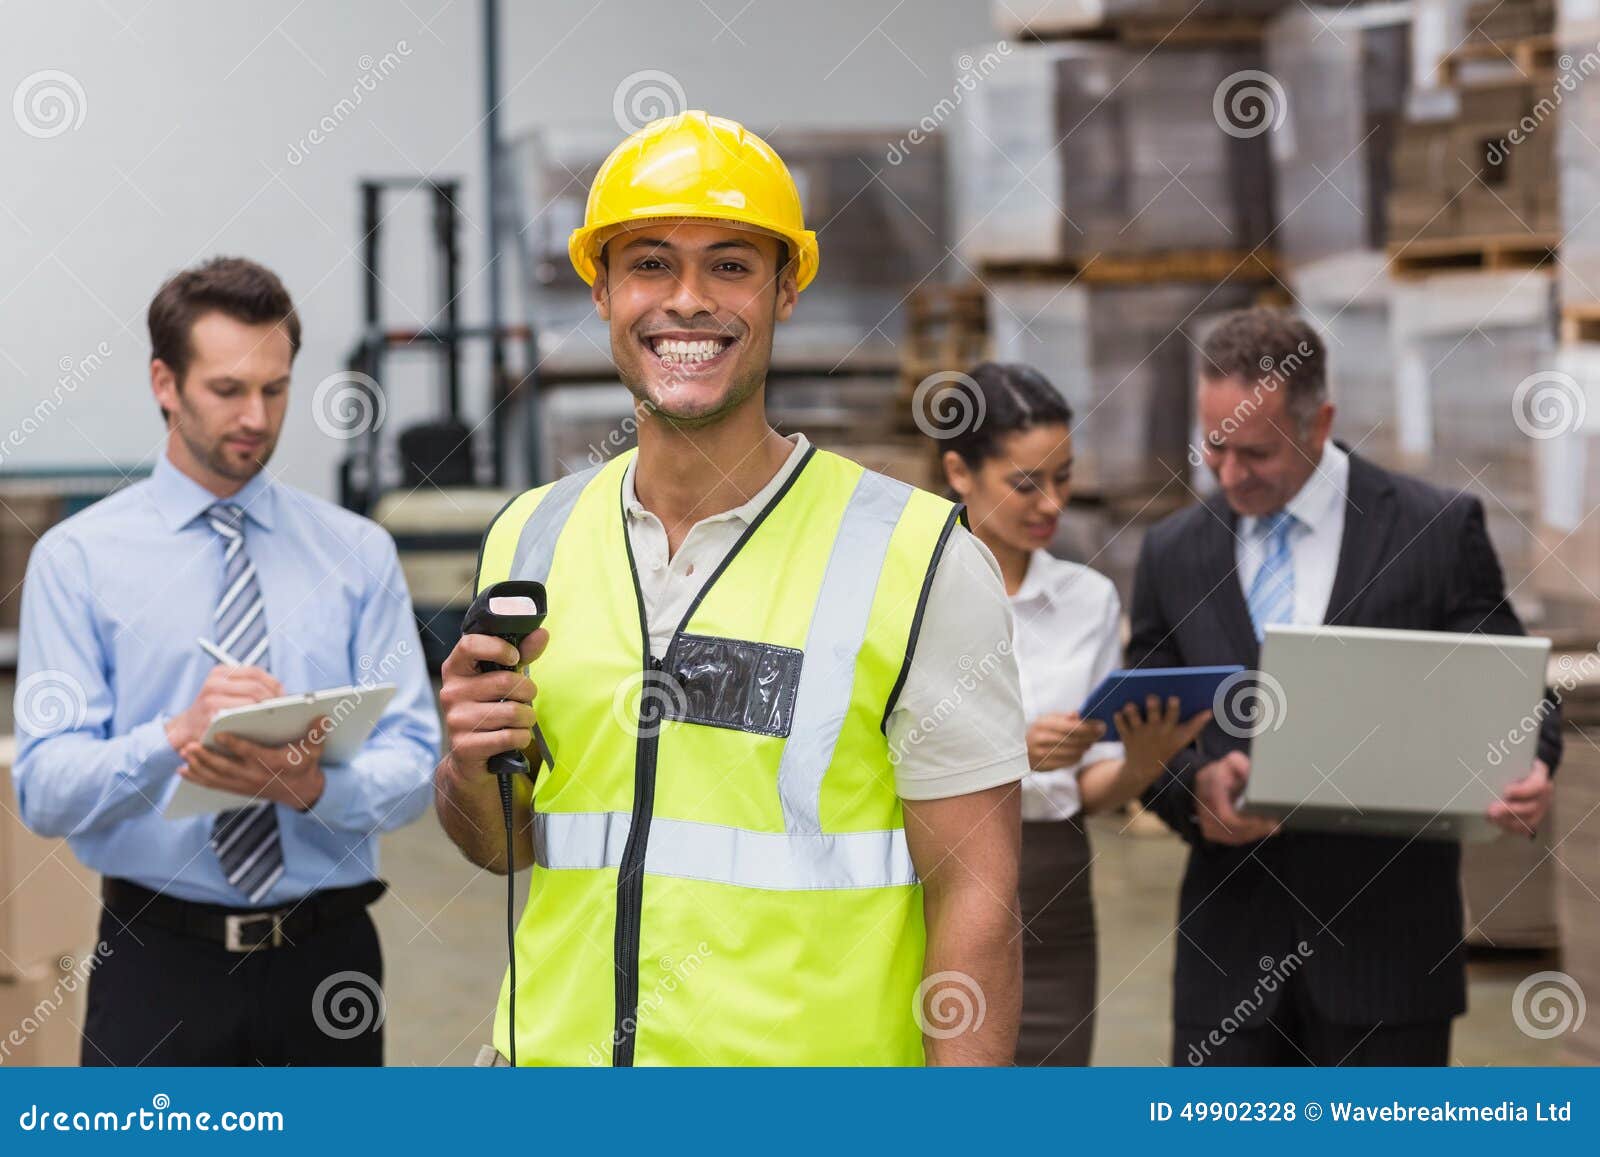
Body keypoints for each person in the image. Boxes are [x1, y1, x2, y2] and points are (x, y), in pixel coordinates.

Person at [434, 111, 1028, 1066]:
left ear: (787, 288)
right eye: (651, 264)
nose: (689, 300)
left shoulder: (915, 559)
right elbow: (503, 847)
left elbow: (980, 900)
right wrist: (467, 763)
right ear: (601, 289)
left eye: (732, 265)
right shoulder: (529, 536)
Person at [13, 257, 441, 1066]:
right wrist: (173, 736)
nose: (256, 415)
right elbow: (45, 790)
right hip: (156, 960)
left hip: (327, 961)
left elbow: (416, 765)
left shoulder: (357, 554)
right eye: (227, 389)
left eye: (275, 390)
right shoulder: (79, 561)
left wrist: (313, 786)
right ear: (164, 383)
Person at [1130, 306, 1561, 1066]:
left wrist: (1533, 765)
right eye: (1216, 447)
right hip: (1230, 966)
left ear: (1319, 421)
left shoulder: (1432, 530)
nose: (1228, 475)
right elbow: (1146, 718)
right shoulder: (1175, 552)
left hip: (1387, 958)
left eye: (1254, 453)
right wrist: (1191, 786)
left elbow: (1514, 689)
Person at [938, 362, 1211, 1066]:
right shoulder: (912, 592)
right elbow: (869, 762)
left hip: (1054, 881)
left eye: (1063, 477)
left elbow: (1084, 789)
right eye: (1026, 482)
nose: (1052, 501)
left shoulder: (1087, 600)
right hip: (937, 872)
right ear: (960, 472)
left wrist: (1145, 764)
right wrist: (1008, 751)